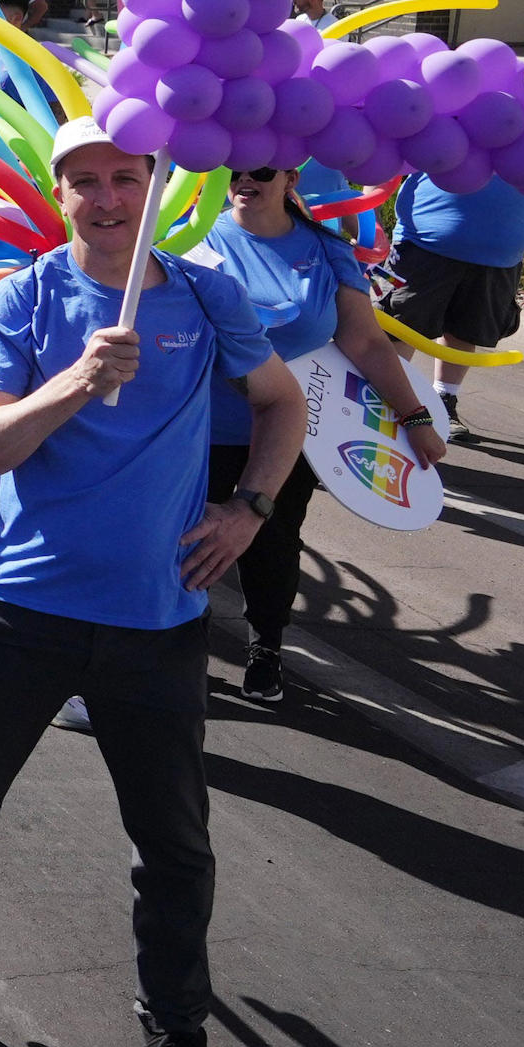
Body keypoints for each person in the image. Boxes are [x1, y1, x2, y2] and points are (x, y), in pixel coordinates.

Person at [0, 119, 307, 1047]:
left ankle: (178, 1030)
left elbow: (281, 404)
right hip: (27, 608)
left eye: (126, 178)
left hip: (159, 621)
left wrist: (251, 509)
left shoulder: (203, 292)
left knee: (174, 845)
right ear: (61, 194)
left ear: (154, 186)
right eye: (86, 181)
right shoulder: (28, 296)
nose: (108, 197)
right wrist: (74, 380)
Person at [192, 161, 444, 707]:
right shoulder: (195, 234)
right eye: (231, 169)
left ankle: (266, 649)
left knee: (273, 544)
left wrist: (416, 418)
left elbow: (368, 344)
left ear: (290, 179)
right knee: (184, 541)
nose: (241, 180)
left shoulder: (327, 250)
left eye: (258, 169)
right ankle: (182, 648)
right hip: (200, 428)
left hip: (290, 435)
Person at [388, 168, 524, 443]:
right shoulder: (444, 123)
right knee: (401, 326)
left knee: (466, 330)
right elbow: (387, 161)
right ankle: (382, 402)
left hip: (500, 255)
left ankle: (444, 401)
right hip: (425, 243)